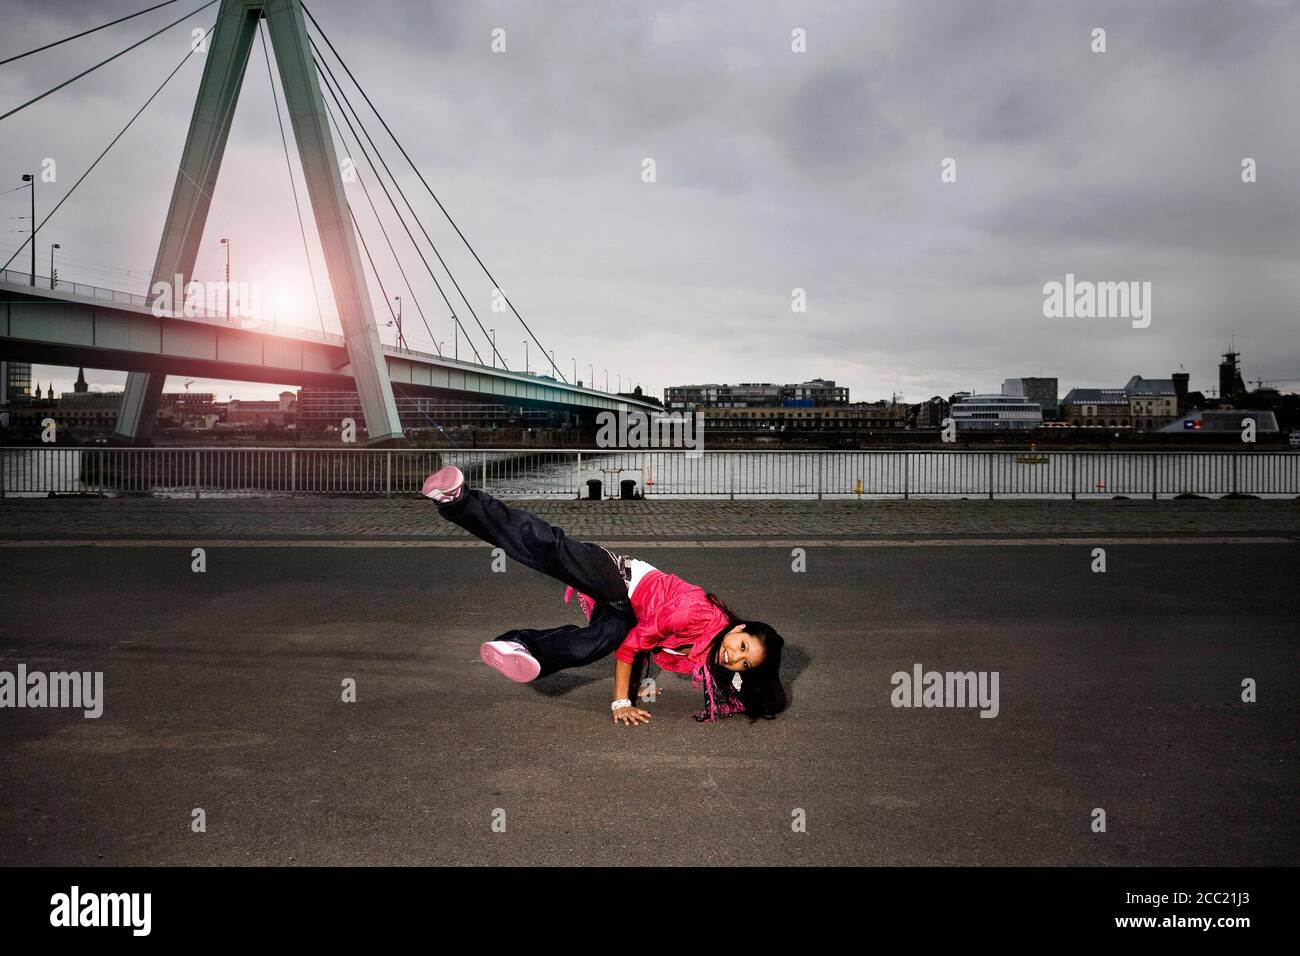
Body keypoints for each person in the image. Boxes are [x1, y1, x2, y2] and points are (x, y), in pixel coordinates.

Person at [423, 465, 787, 726]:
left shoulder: (711, 651)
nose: (734, 656)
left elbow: (649, 644)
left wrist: (643, 684)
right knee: (547, 549)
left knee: (593, 644)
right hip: (621, 580)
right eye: (742, 646)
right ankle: (458, 499)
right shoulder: (696, 615)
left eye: (743, 663)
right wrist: (621, 702)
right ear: (739, 628)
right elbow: (634, 647)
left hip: (629, 612)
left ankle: (519, 647)